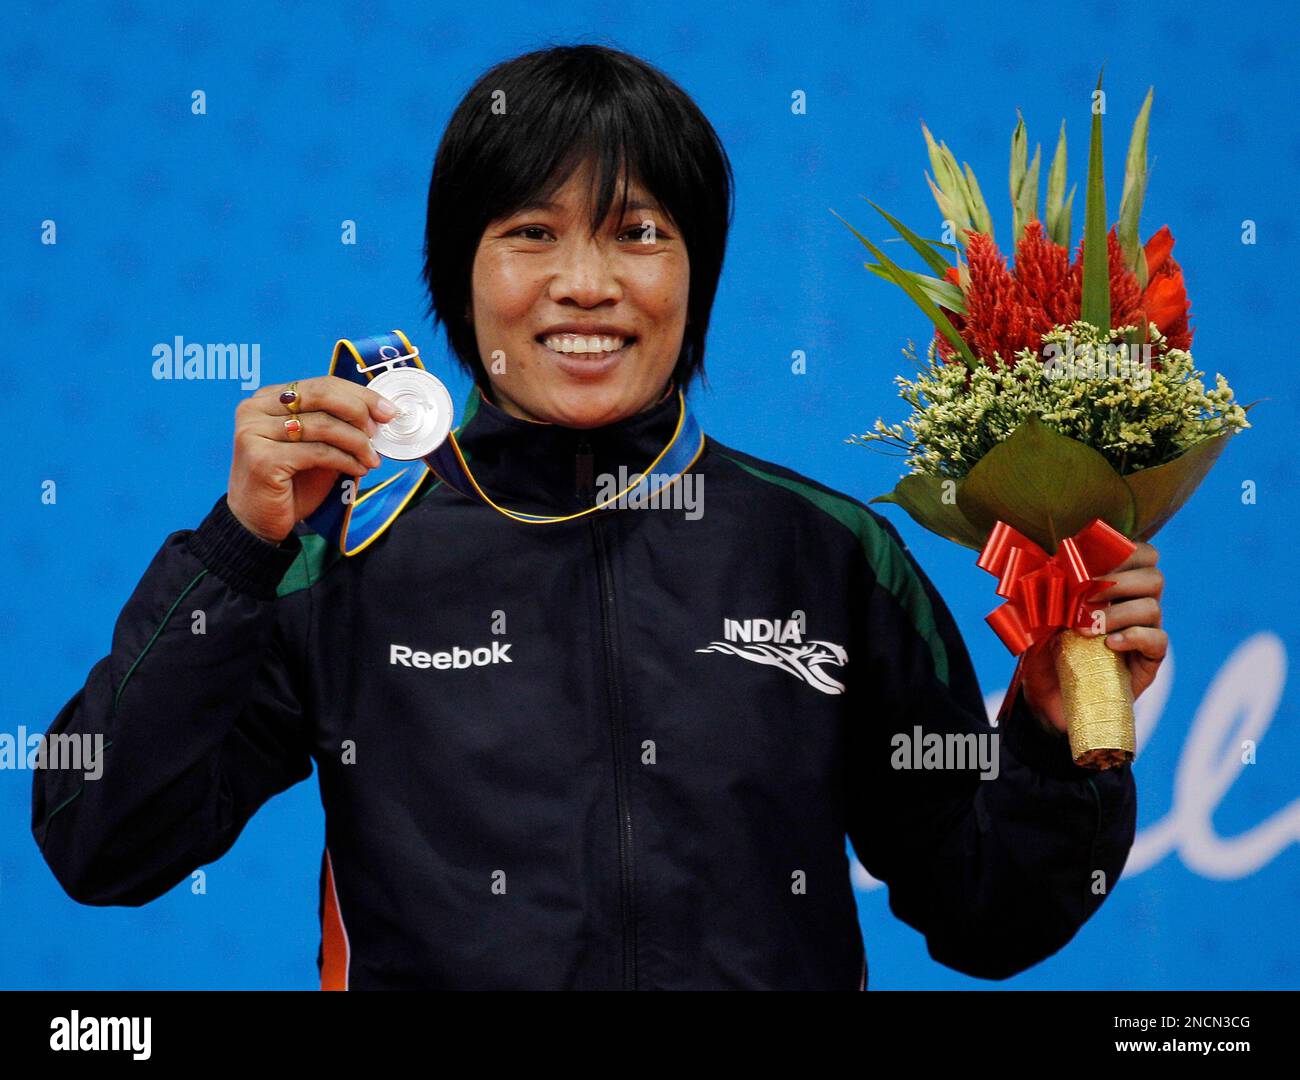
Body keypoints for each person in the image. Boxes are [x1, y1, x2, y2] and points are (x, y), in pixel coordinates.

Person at [32, 44, 1164, 990]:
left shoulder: (826, 552)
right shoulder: (343, 552)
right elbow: (101, 841)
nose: (586, 282)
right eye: (531, 232)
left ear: (696, 275)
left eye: (637, 232)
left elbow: (989, 918)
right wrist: (235, 551)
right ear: (457, 274)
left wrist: (1059, 747)